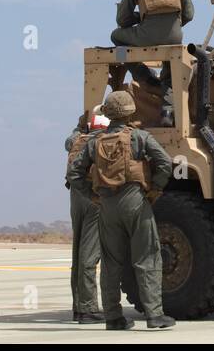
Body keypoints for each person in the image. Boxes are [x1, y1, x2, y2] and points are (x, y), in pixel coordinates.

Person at [68, 90, 176, 331]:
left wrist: (93, 196)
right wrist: (155, 189)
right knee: (147, 256)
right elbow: (165, 163)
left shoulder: (94, 142)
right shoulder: (139, 137)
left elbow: (74, 173)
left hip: (106, 205)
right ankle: (154, 315)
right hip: (135, 201)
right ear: (130, 112)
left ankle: (113, 317)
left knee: (110, 263)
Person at [65, 106, 110, 323]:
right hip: (95, 198)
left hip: (76, 197)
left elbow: (70, 138)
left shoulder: (76, 139)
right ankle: (89, 308)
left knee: (78, 253)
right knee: (90, 255)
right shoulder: (104, 140)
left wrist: (80, 124)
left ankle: (78, 306)